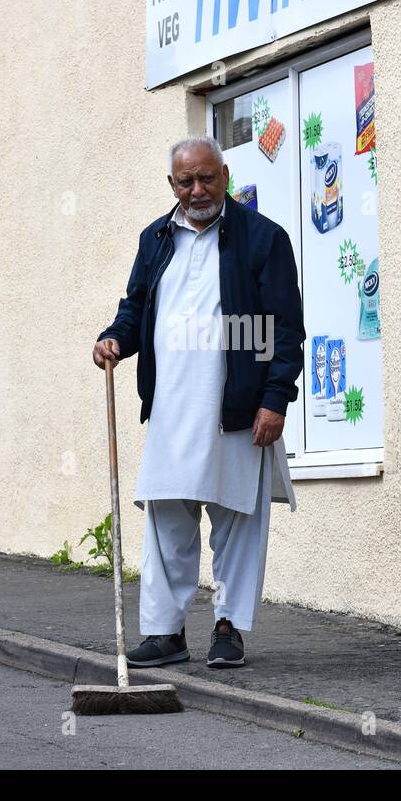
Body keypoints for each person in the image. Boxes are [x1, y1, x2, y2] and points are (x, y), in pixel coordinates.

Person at [92, 136, 304, 668]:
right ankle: (165, 633)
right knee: (166, 517)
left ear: (225, 175)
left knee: (236, 518)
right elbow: (134, 306)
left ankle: (228, 628)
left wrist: (275, 398)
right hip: (170, 407)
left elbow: (284, 329)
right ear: (172, 185)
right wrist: (116, 337)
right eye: (186, 181)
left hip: (236, 407)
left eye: (206, 178)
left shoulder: (262, 239)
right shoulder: (156, 238)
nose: (197, 189)